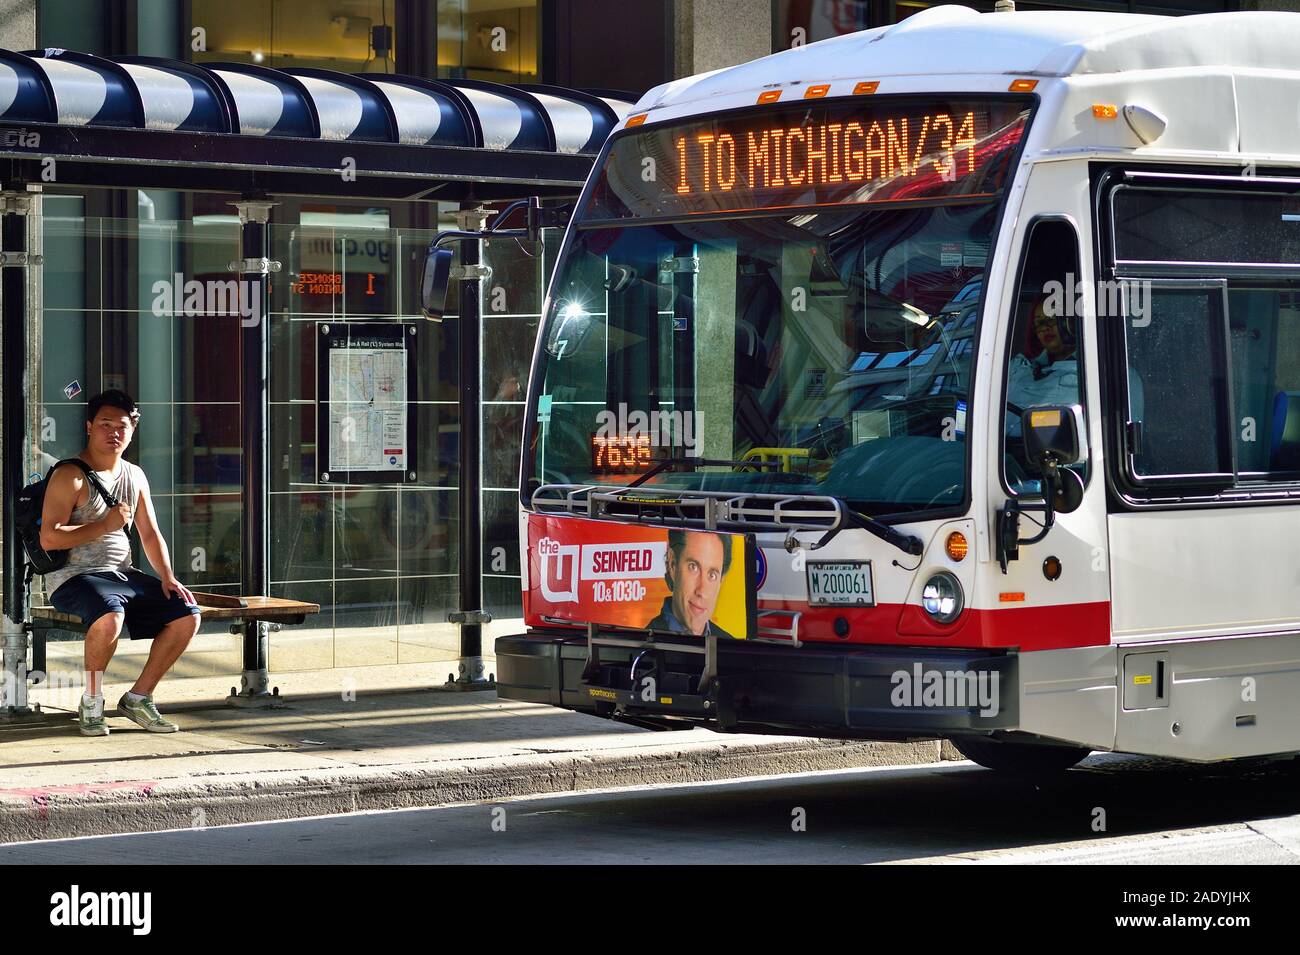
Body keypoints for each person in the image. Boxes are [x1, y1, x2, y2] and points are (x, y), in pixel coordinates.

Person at [39, 390, 201, 737]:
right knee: (110, 615)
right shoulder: (70, 475)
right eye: (105, 424)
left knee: (187, 613)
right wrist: (103, 526)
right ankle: (92, 701)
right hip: (73, 576)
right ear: (89, 427)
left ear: (132, 430)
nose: (113, 432)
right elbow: (49, 538)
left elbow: (150, 533)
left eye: (122, 426)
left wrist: (168, 576)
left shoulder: (135, 475)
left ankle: (138, 697)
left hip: (121, 574)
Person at [644, 529, 735, 638]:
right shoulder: (643, 644)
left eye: (712, 575)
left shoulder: (730, 646)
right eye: (693, 567)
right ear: (673, 564)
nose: (702, 591)